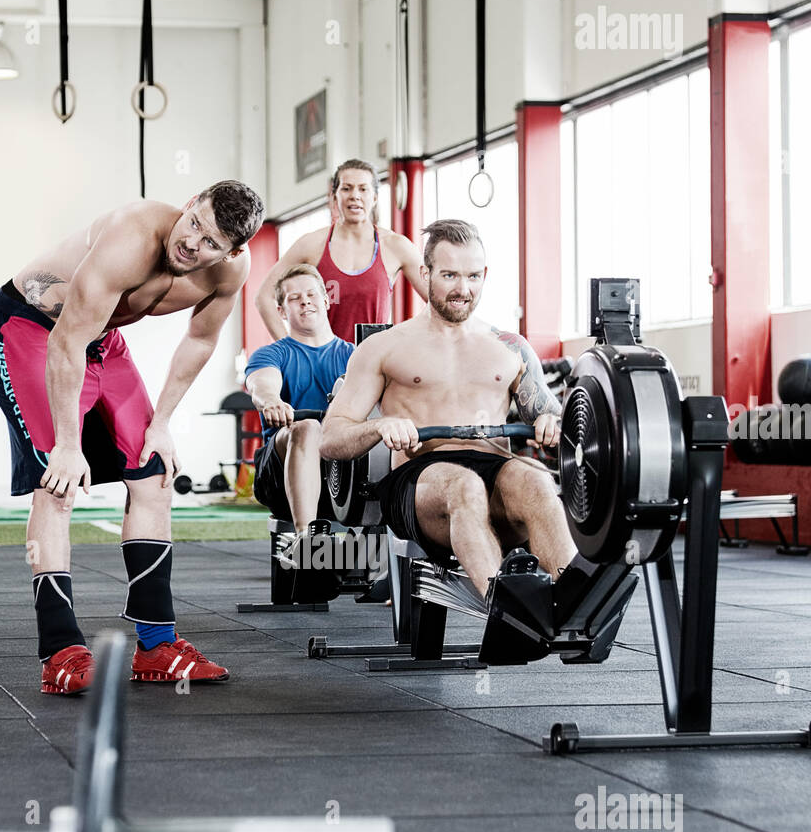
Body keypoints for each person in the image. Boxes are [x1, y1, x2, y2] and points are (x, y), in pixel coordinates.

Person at [0, 181, 264, 694]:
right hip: (30, 327)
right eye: (194, 222)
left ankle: (157, 645)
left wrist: (162, 423)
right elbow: (67, 338)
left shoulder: (230, 271)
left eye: (210, 242)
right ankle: (60, 651)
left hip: (101, 339)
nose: (192, 243)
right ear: (189, 202)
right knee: (57, 482)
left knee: (155, 473)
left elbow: (200, 339)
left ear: (234, 251)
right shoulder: (130, 238)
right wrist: (69, 446)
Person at [319, 218, 577, 602]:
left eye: (473, 276)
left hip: (495, 469)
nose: (462, 289)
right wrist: (380, 427)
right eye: (450, 275)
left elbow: (553, 420)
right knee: (463, 485)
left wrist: (550, 422)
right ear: (425, 273)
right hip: (417, 478)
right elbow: (330, 439)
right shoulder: (385, 347)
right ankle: (505, 608)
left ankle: (575, 603)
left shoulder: (510, 347)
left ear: (485, 274)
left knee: (537, 478)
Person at [245, 264, 352, 563]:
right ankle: (307, 542)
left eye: (311, 294)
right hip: (278, 476)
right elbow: (262, 384)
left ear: (326, 300)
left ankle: (392, 564)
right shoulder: (273, 354)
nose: (305, 301)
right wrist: (271, 402)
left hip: (343, 475)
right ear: (281, 311)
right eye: (294, 298)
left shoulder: (356, 357)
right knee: (306, 428)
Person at [255, 159, 426, 343]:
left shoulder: (395, 246)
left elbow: (438, 301)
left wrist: (410, 339)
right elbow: (264, 297)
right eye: (346, 188)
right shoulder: (312, 244)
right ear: (334, 196)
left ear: (375, 197)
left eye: (363, 189)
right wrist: (293, 351)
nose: (355, 195)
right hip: (323, 366)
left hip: (373, 365)